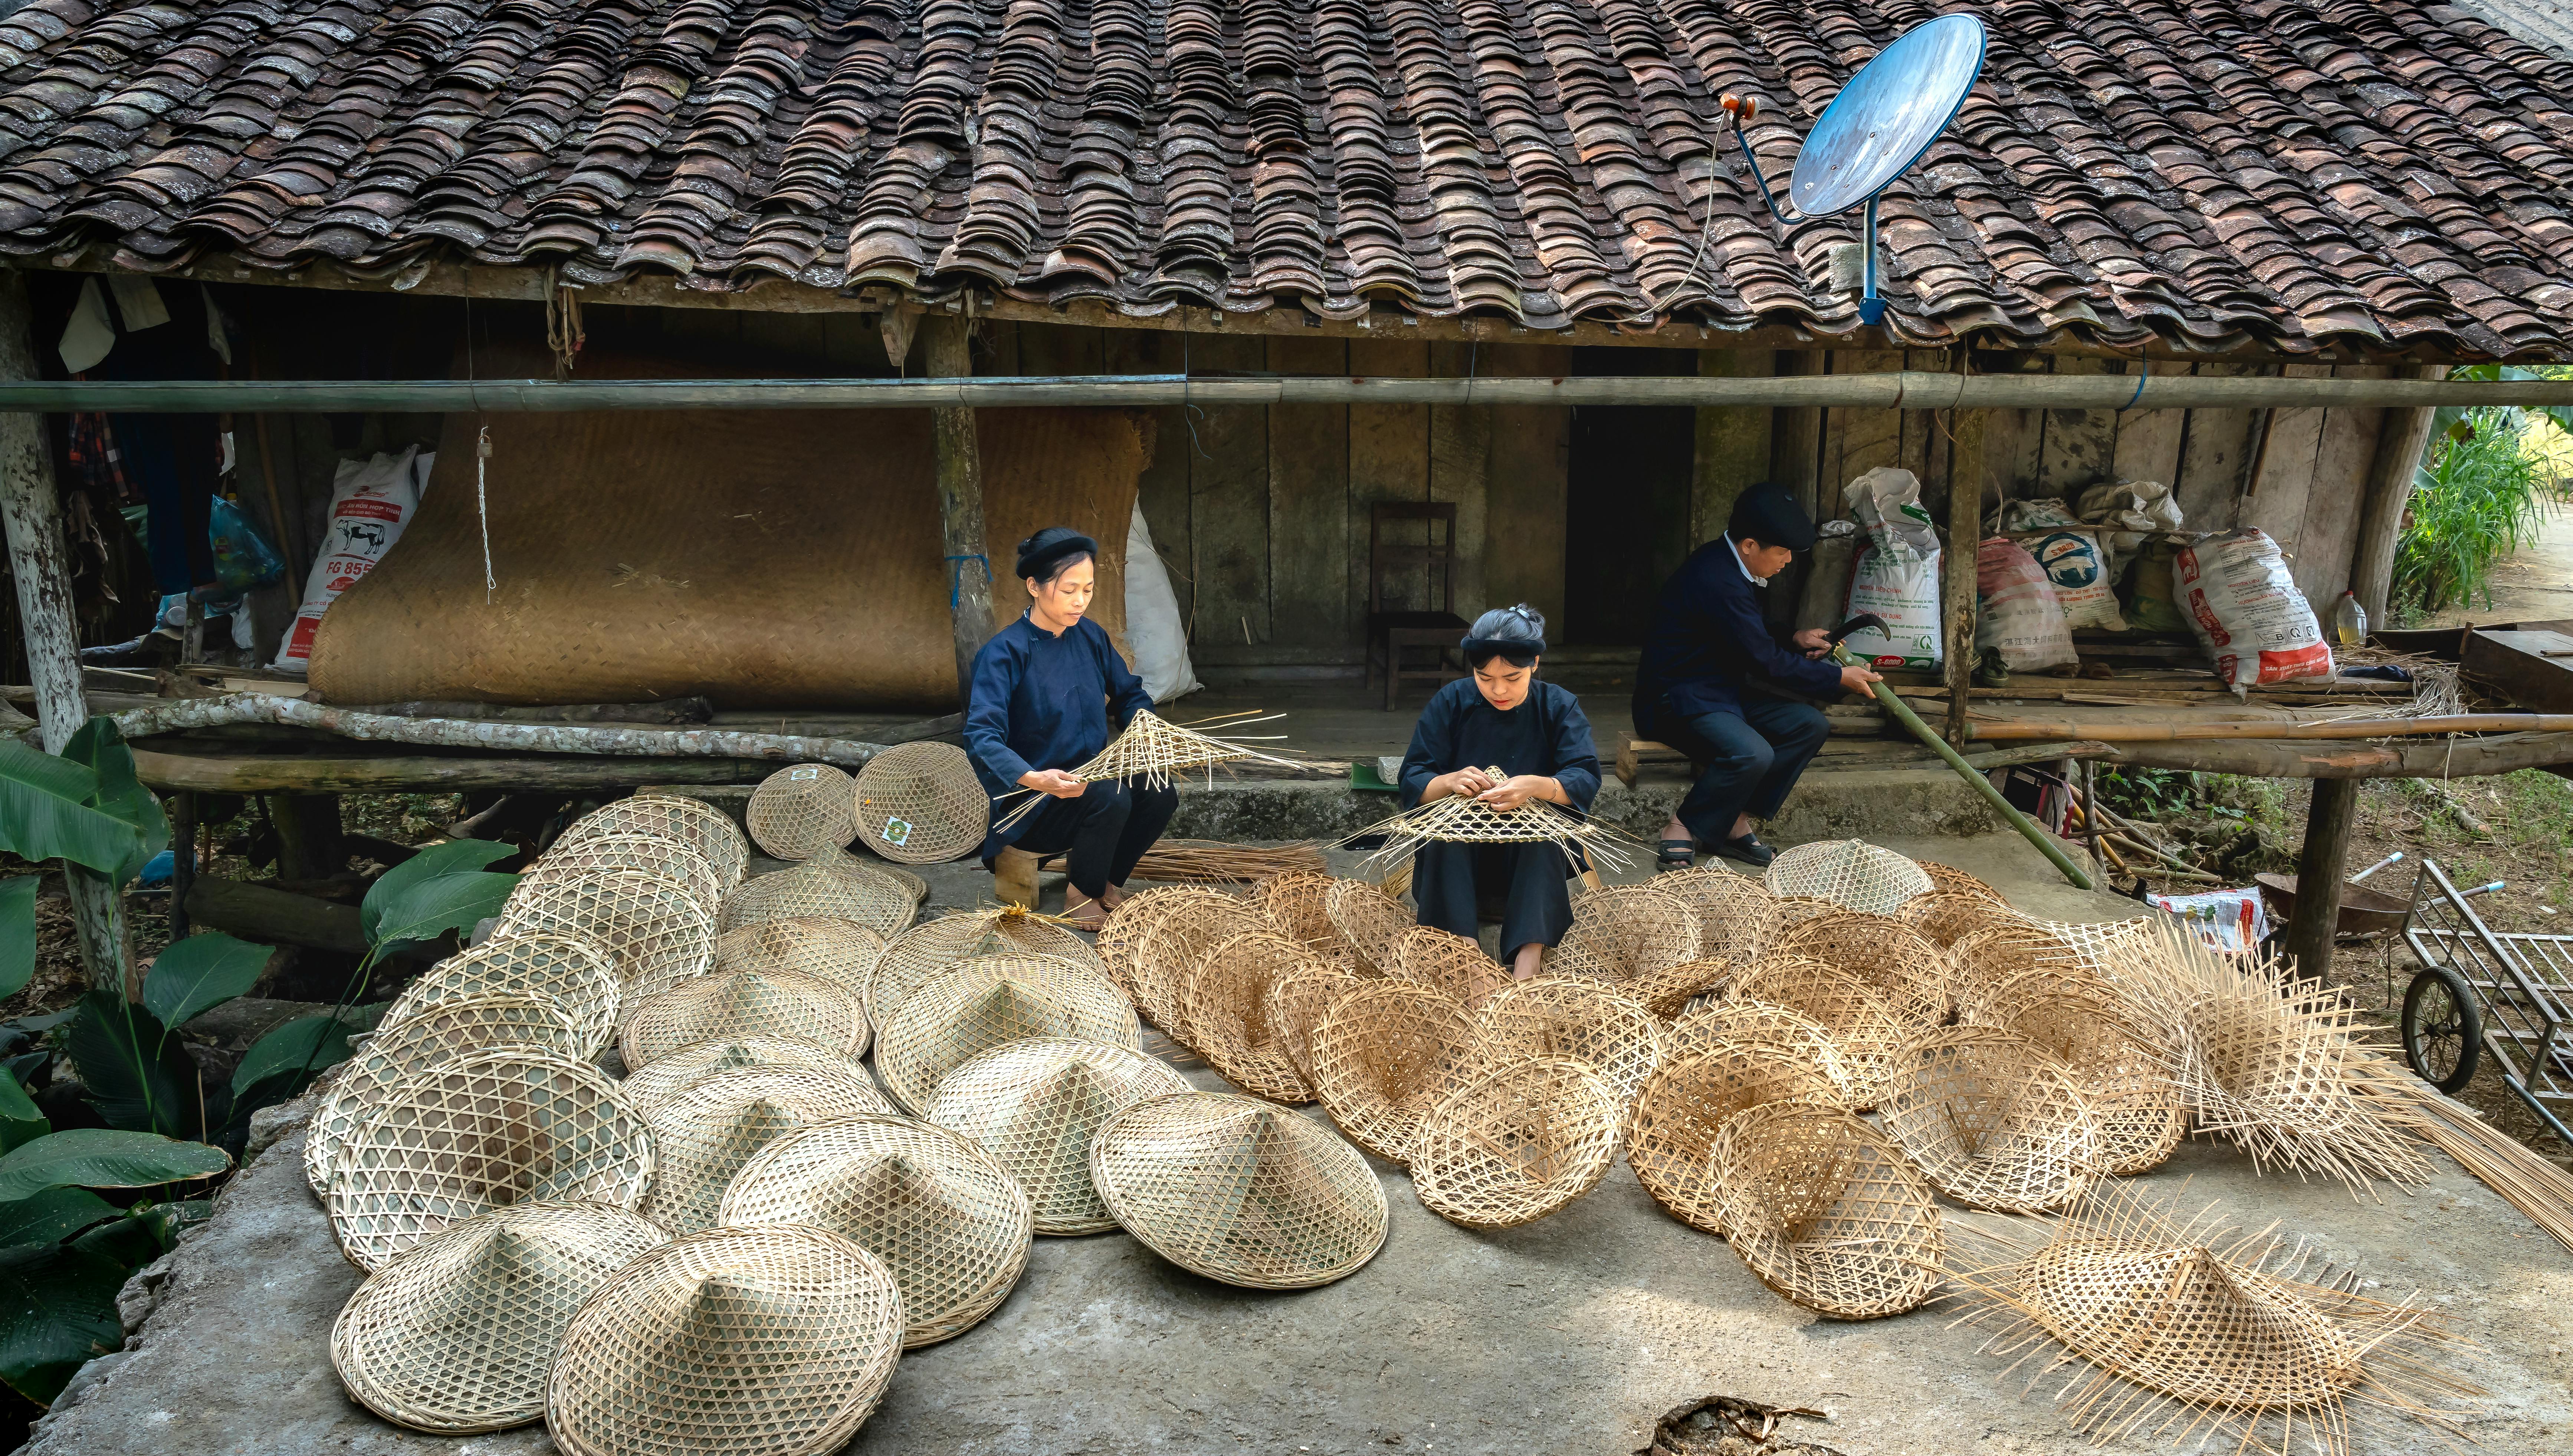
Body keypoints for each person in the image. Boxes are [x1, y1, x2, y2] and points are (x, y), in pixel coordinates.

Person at [1632, 484, 1882, 870]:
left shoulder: (1728, 563)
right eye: (1781, 552)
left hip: (1722, 693)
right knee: (1752, 752)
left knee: (1807, 725)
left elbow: (1748, 628)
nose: (1786, 562)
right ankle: (1681, 825)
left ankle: (1733, 821)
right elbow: (1764, 660)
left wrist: (1793, 637)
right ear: (1750, 545)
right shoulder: (1716, 578)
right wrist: (1834, 680)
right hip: (1677, 699)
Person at [965, 526, 1177, 929]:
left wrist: (1145, 731)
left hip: (1091, 784)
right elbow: (981, 737)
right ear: (1034, 586)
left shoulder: (1091, 637)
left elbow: (1130, 695)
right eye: (1068, 590)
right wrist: (1034, 778)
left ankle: (1108, 881)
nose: (1080, 601)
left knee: (1159, 790)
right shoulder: (1003, 653)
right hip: (1034, 804)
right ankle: (1080, 891)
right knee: (1110, 795)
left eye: (1088, 589)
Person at [1397, 605, 1602, 982]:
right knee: (1446, 832)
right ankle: (1468, 959)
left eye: (1512, 676)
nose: (1498, 690)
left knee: (1543, 834)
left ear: (1535, 663)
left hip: (1529, 861)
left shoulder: (1557, 705)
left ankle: (1528, 959)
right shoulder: (1451, 702)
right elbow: (1412, 776)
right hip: (1459, 863)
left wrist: (1536, 787)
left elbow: (1584, 775)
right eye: (1483, 677)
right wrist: (1449, 782)